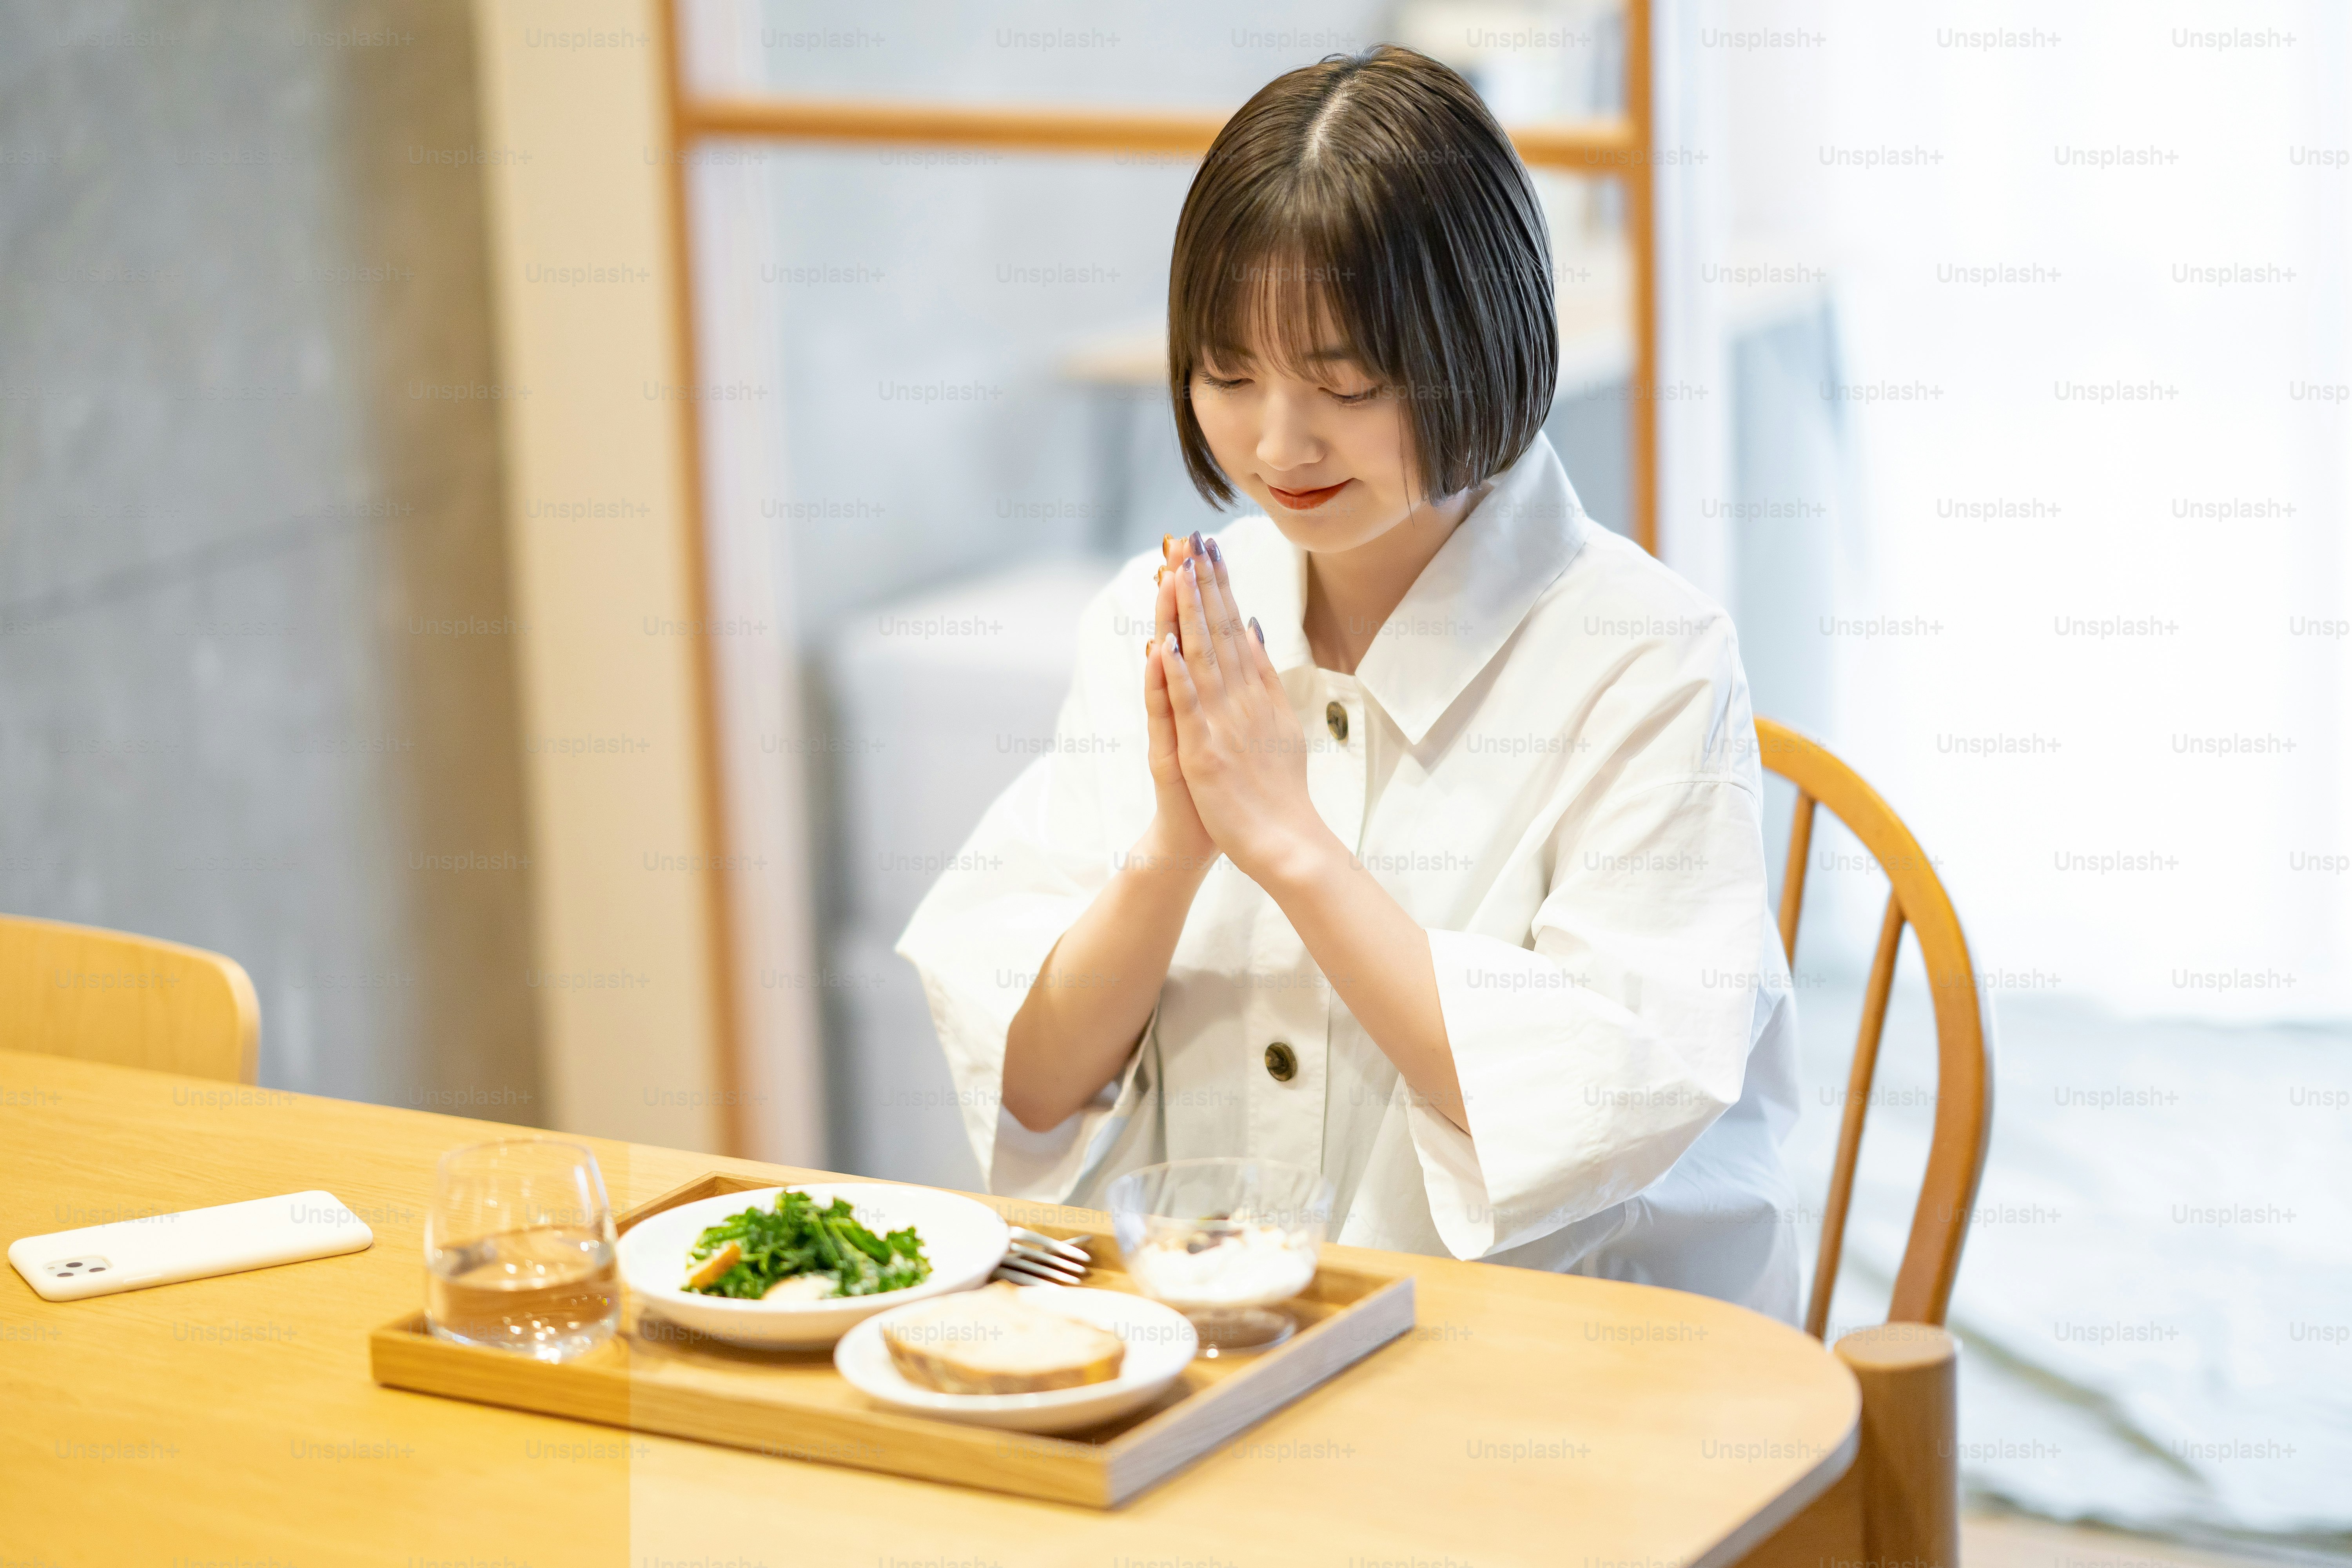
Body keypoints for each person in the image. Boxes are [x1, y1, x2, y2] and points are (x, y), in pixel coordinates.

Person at [897, 45, 1801, 1318]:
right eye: (1227, 375)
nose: (1278, 445)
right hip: (1207, 1339)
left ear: (1477, 338)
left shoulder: (1647, 660)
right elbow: (1034, 1089)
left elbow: (1602, 1103)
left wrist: (1290, 844)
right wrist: (1173, 848)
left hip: (1563, 1373)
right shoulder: (1161, 627)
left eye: (1345, 383)